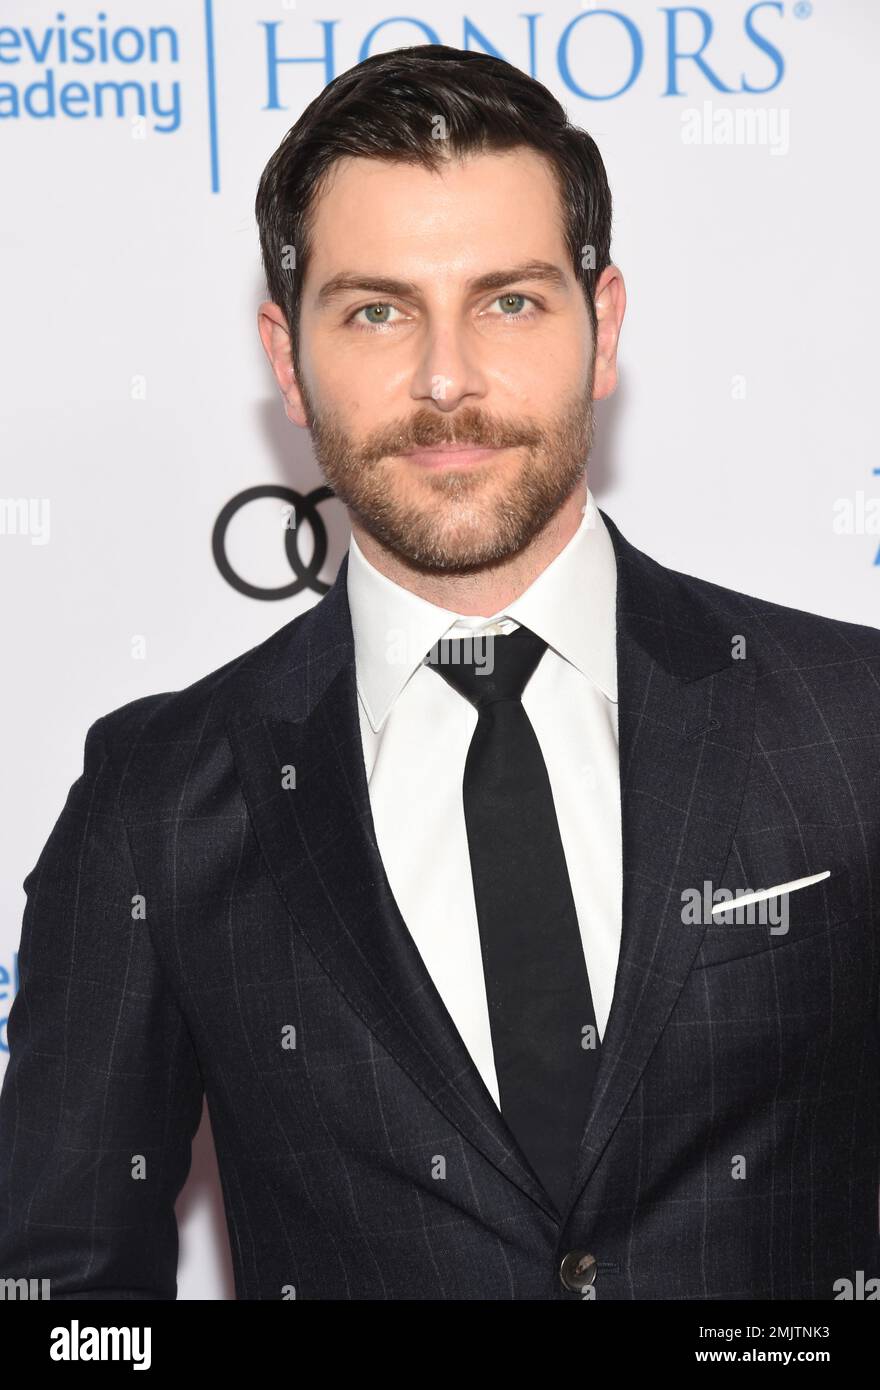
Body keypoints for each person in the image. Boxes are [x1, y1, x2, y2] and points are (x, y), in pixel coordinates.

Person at [1, 44, 878, 1302]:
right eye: (376, 310)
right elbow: (64, 1307)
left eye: (510, 300)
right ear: (286, 358)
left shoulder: (851, 724)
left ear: (604, 323)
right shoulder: (157, 800)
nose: (446, 379)